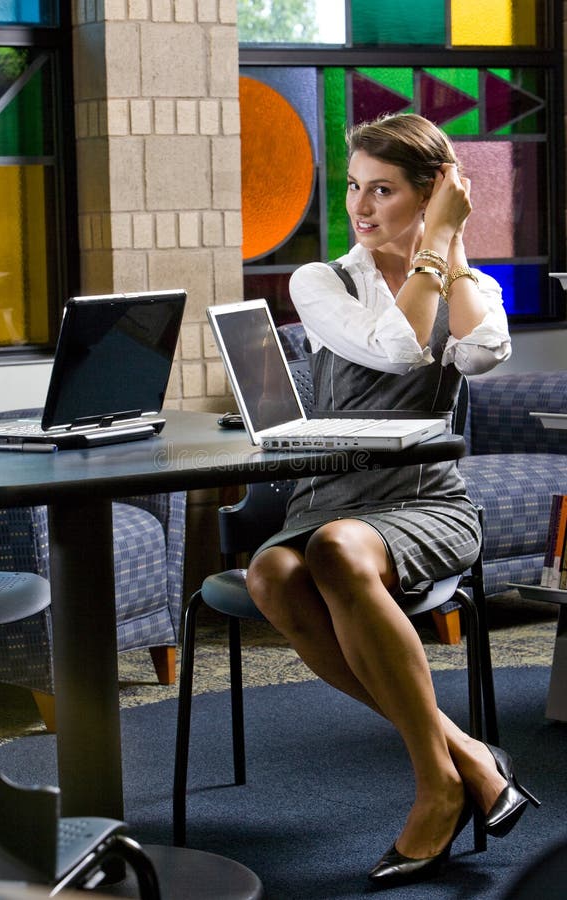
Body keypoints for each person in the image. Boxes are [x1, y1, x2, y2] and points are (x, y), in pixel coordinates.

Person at [246, 113, 539, 888]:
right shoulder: (321, 282)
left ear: (432, 196)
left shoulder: (467, 284)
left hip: (423, 505)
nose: (361, 206)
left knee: (337, 551)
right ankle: (468, 753)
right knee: (271, 575)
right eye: (354, 188)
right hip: (329, 498)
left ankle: (436, 786)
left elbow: (479, 357)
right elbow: (394, 346)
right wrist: (434, 257)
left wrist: (449, 253)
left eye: (384, 190)